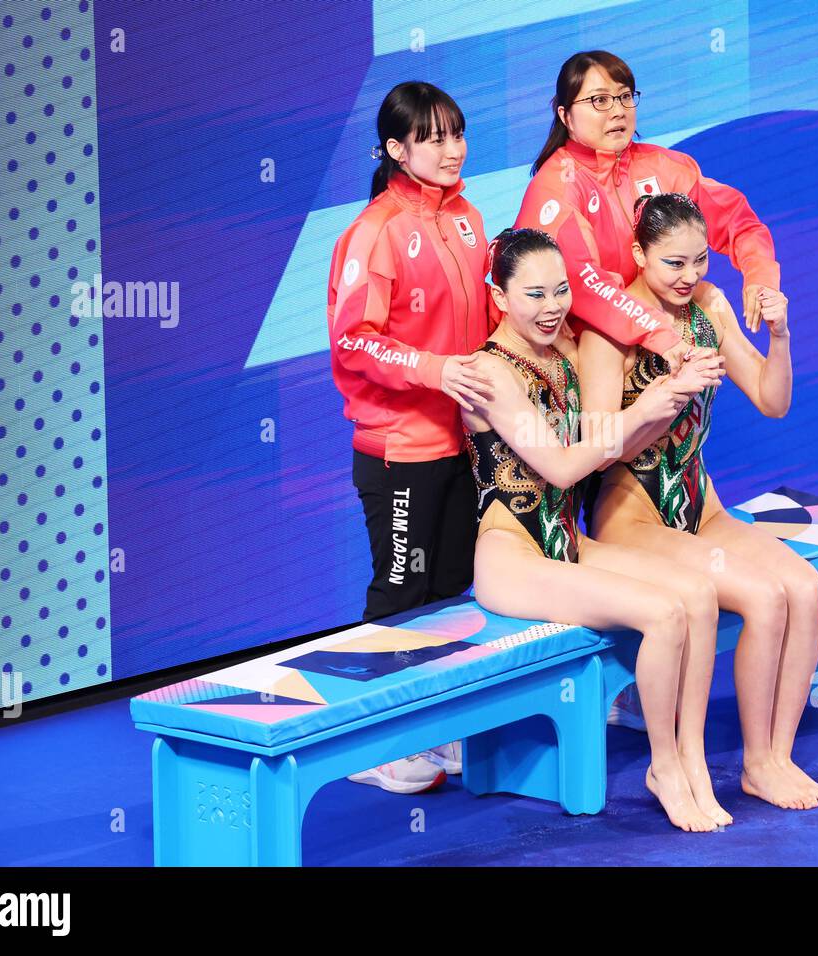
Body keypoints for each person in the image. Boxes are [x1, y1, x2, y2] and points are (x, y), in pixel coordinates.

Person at [515, 48, 785, 727]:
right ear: (564, 113)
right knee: (566, 524)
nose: (615, 110)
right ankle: (511, 715)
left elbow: (737, 222)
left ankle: (643, 680)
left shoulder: (666, 169)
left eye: (624, 96)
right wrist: (669, 342)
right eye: (598, 100)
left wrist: (756, 273)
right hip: (576, 380)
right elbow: (591, 285)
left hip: (641, 370)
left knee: (649, 509)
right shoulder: (556, 185)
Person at [461, 227, 733, 830]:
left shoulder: (566, 354)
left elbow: (603, 452)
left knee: (699, 595)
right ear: (499, 296)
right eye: (533, 294)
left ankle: (693, 756)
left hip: (568, 544)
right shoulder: (488, 373)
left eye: (561, 290)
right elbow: (559, 465)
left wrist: (665, 398)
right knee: (662, 615)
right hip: (514, 557)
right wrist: (642, 412)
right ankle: (663, 764)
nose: (552, 305)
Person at [578, 192, 818, 811]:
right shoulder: (611, 330)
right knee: (764, 597)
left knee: (805, 589)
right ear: (638, 255)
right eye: (672, 263)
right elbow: (598, 449)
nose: (689, 276)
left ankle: (772, 759)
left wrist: (780, 336)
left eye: (699, 261)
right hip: (631, 513)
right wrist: (666, 394)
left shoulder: (710, 308)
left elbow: (773, 402)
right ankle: (743, 760)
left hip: (701, 506)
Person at [327, 81, 494, 793]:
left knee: (453, 592)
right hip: (400, 449)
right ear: (396, 149)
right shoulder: (375, 230)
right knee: (401, 593)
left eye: (455, 133)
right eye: (431, 137)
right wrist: (437, 369)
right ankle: (372, 744)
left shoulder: (467, 218)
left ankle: (437, 729)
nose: (450, 150)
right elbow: (354, 344)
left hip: (464, 443)